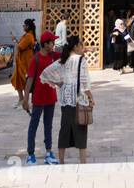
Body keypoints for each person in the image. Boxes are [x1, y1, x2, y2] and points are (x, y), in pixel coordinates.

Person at [45, 34, 93, 164]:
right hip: (79, 99)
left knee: (65, 129)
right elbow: (84, 81)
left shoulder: (63, 60)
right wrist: (91, 97)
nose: (83, 47)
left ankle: (62, 161)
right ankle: (83, 162)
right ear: (76, 46)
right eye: (81, 44)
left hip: (65, 99)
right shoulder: (81, 60)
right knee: (81, 130)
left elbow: (46, 72)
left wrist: (58, 83)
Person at [22, 30, 60, 165]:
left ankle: (49, 152)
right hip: (38, 98)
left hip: (51, 96)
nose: (53, 45)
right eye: (51, 43)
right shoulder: (36, 59)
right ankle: (30, 154)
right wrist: (25, 99)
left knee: (48, 125)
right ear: (45, 44)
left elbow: (68, 56)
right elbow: (30, 80)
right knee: (34, 125)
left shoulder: (53, 56)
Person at [11, 18, 37, 108]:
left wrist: (15, 40)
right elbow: (21, 45)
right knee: (18, 80)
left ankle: (25, 100)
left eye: (24, 25)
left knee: (24, 81)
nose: (23, 26)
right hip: (22, 61)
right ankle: (21, 99)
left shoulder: (29, 36)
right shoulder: (27, 35)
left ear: (28, 26)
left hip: (26, 62)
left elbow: (20, 47)